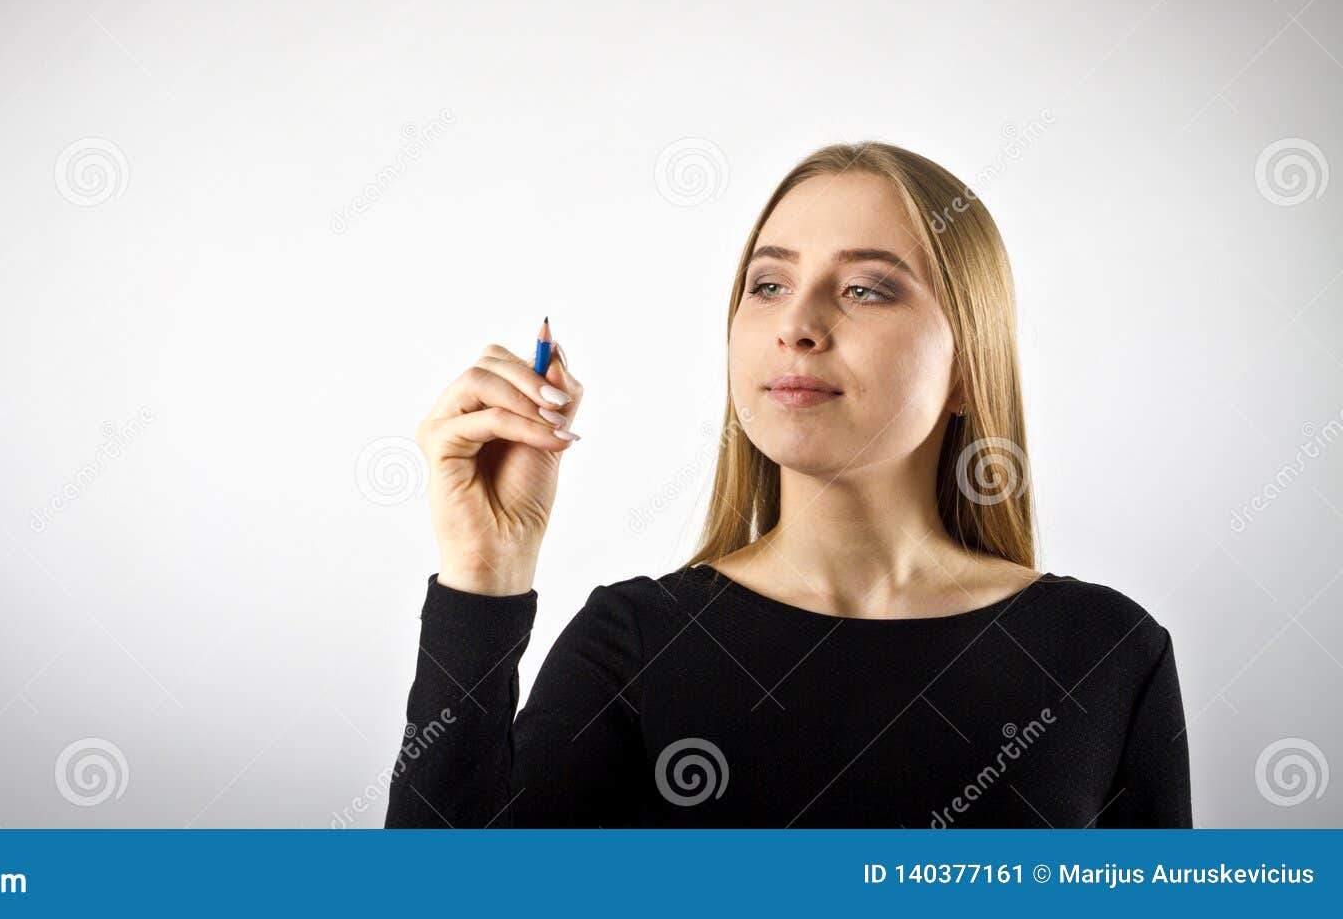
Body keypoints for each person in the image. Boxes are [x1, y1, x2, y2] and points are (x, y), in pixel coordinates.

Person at [384, 140, 1192, 828]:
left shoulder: (1108, 653)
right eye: (768, 284)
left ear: (968, 366)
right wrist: (484, 574)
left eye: (865, 289)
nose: (796, 324)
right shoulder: (634, 644)